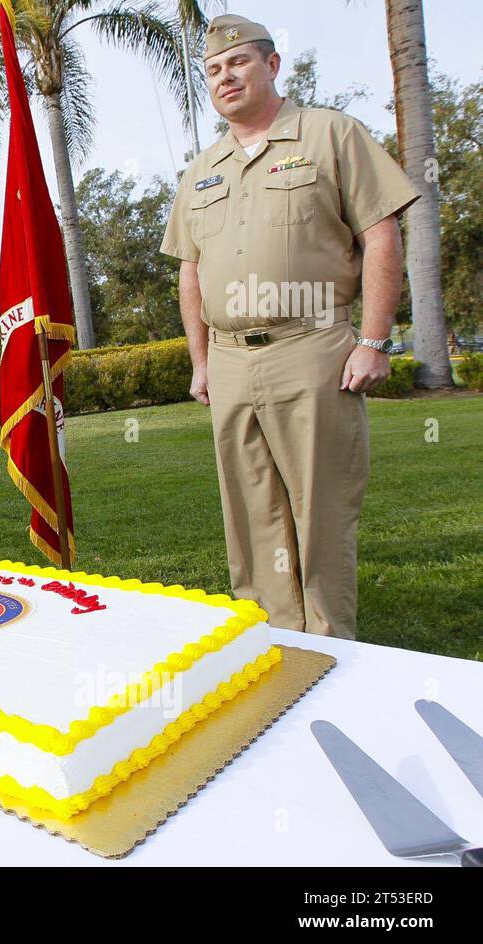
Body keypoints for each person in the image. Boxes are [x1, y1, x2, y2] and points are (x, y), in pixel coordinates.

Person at [160, 15, 419, 639]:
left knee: (320, 509)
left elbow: (381, 234)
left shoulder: (331, 134)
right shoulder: (201, 171)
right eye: (214, 69)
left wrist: (374, 340)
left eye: (239, 62)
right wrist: (200, 362)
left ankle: (331, 647)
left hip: (313, 348)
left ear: (272, 66)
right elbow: (190, 273)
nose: (226, 76)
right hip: (228, 362)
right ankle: (275, 639)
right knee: (251, 513)